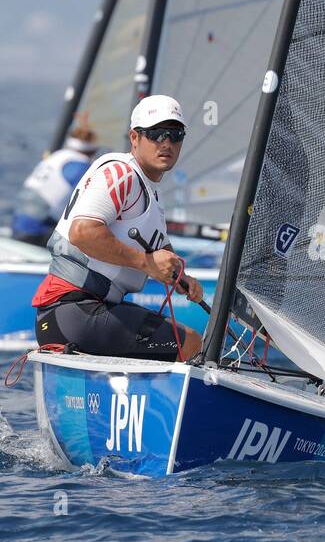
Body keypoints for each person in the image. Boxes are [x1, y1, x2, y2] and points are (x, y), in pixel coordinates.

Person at [31, 95, 205, 361]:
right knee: (191, 343)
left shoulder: (151, 193)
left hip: (82, 314)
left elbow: (161, 252)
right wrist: (146, 262)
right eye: (156, 134)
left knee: (179, 342)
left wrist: (184, 278)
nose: (166, 143)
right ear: (134, 138)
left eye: (175, 134)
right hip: (74, 310)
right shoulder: (121, 175)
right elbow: (83, 232)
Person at [11, 119, 99, 246]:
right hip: (38, 232)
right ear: (93, 150)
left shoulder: (57, 155)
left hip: (18, 224)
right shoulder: (82, 166)